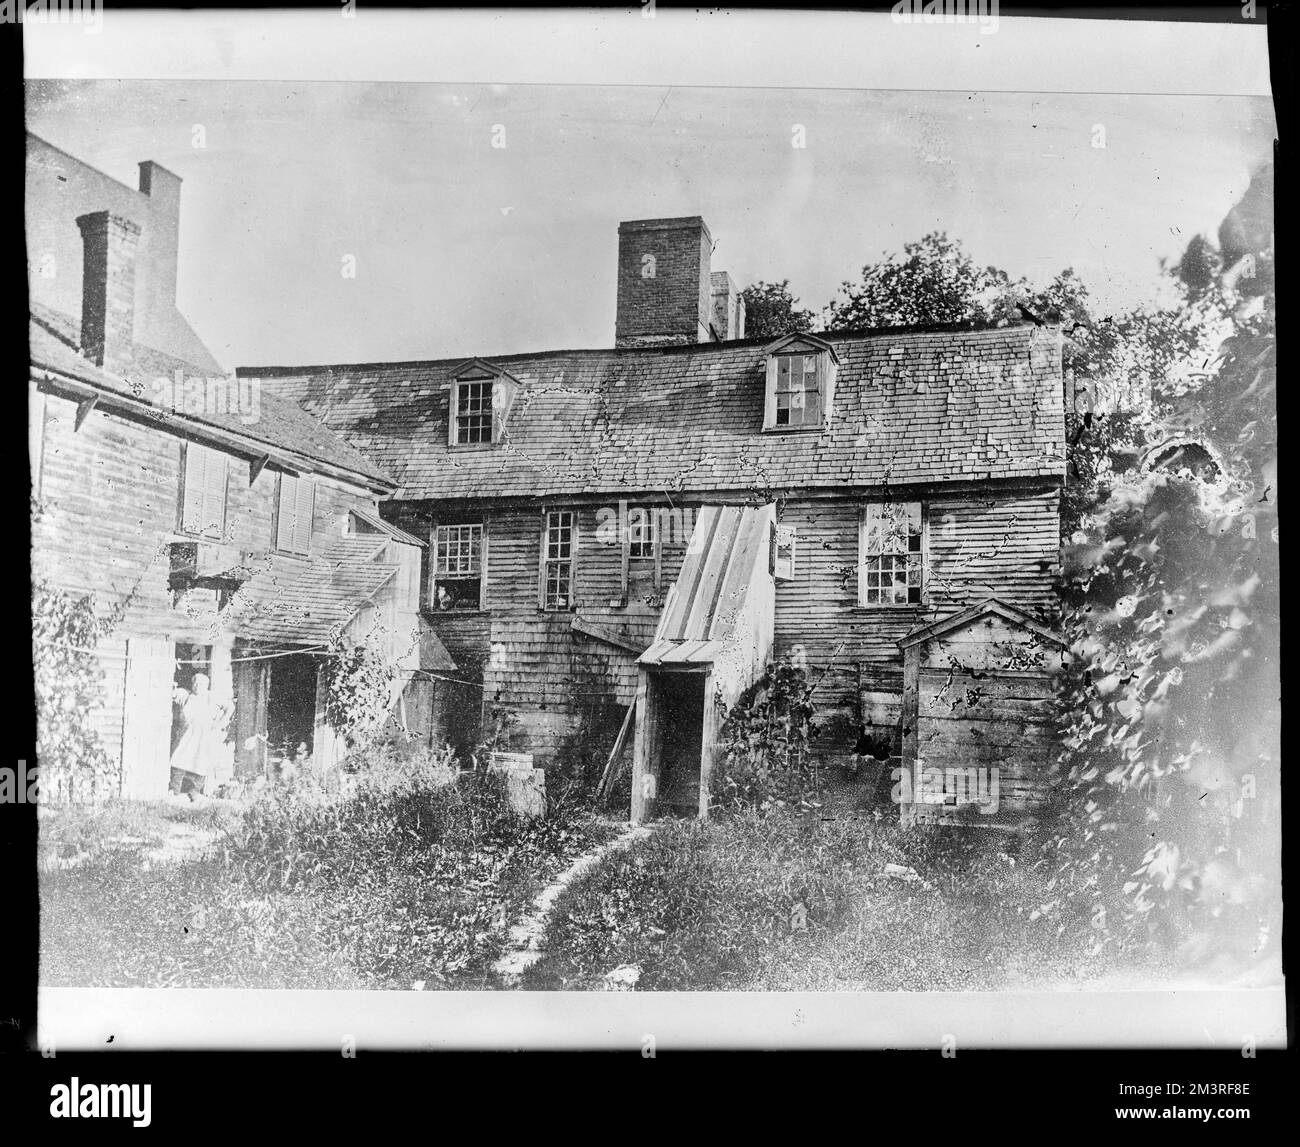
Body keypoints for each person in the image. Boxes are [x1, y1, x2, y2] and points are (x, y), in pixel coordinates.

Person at [168, 674, 231, 798]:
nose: (197, 686)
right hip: (186, 735)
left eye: (201, 684)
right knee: (178, 759)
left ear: (206, 686)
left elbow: (230, 707)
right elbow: (174, 694)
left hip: (203, 737)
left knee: (201, 763)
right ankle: (174, 789)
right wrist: (174, 689)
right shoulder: (187, 695)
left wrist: (219, 723)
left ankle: (194, 792)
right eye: (195, 683)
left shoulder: (211, 697)